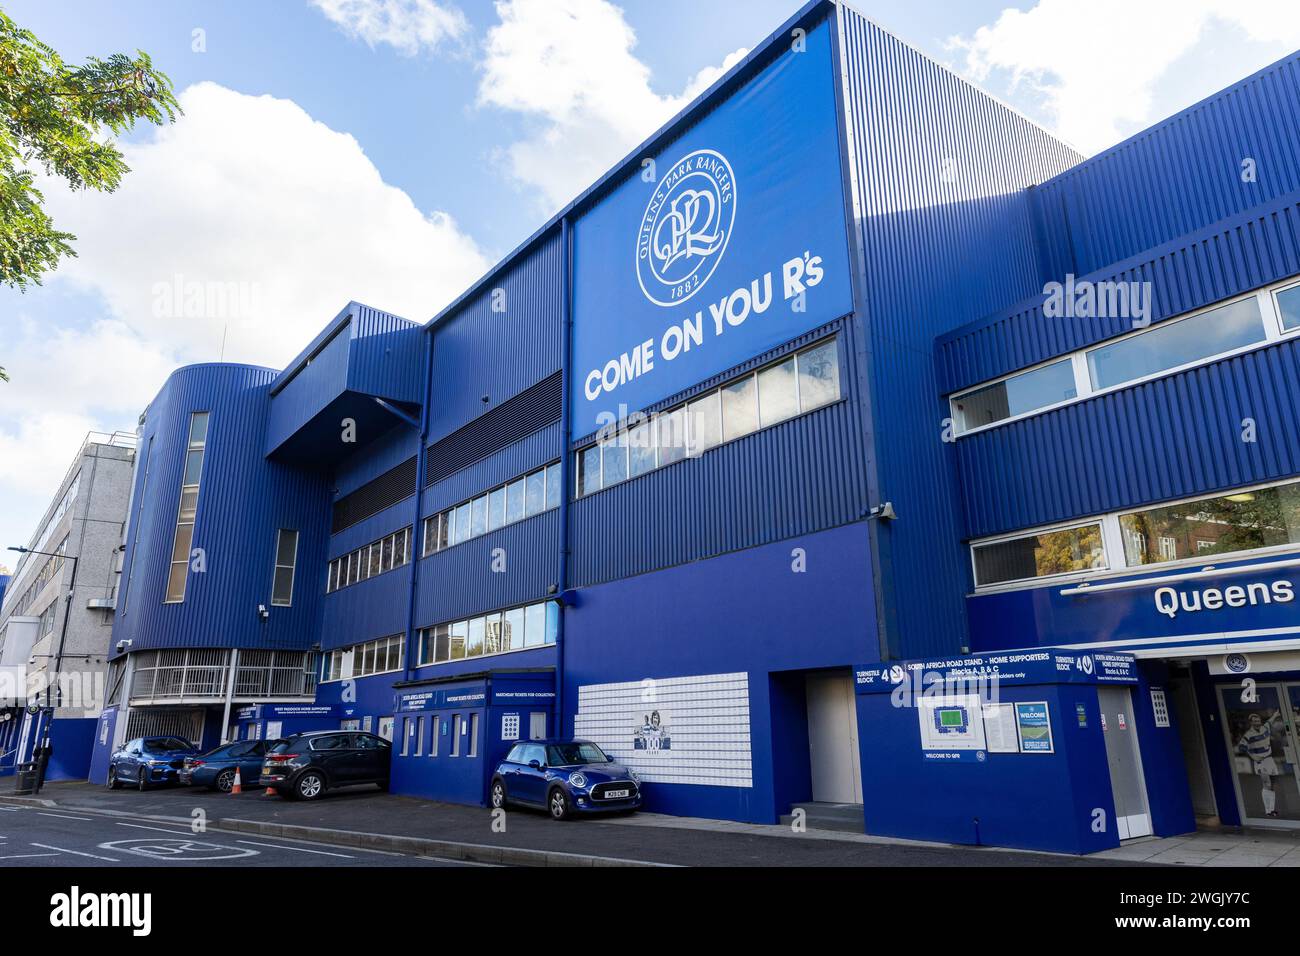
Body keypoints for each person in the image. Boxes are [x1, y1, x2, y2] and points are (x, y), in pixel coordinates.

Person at [1237, 712, 1281, 817]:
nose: (1258, 722)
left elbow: (1270, 721)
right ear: (1251, 722)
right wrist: (1252, 756)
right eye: (1255, 721)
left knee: (1272, 784)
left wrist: (1276, 714)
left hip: (1269, 759)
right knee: (1267, 784)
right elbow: (1241, 747)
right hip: (1260, 762)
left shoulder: (1265, 727)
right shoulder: (1249, 735)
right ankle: (1267, 811)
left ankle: (1272, 809)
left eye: (1258, 720)